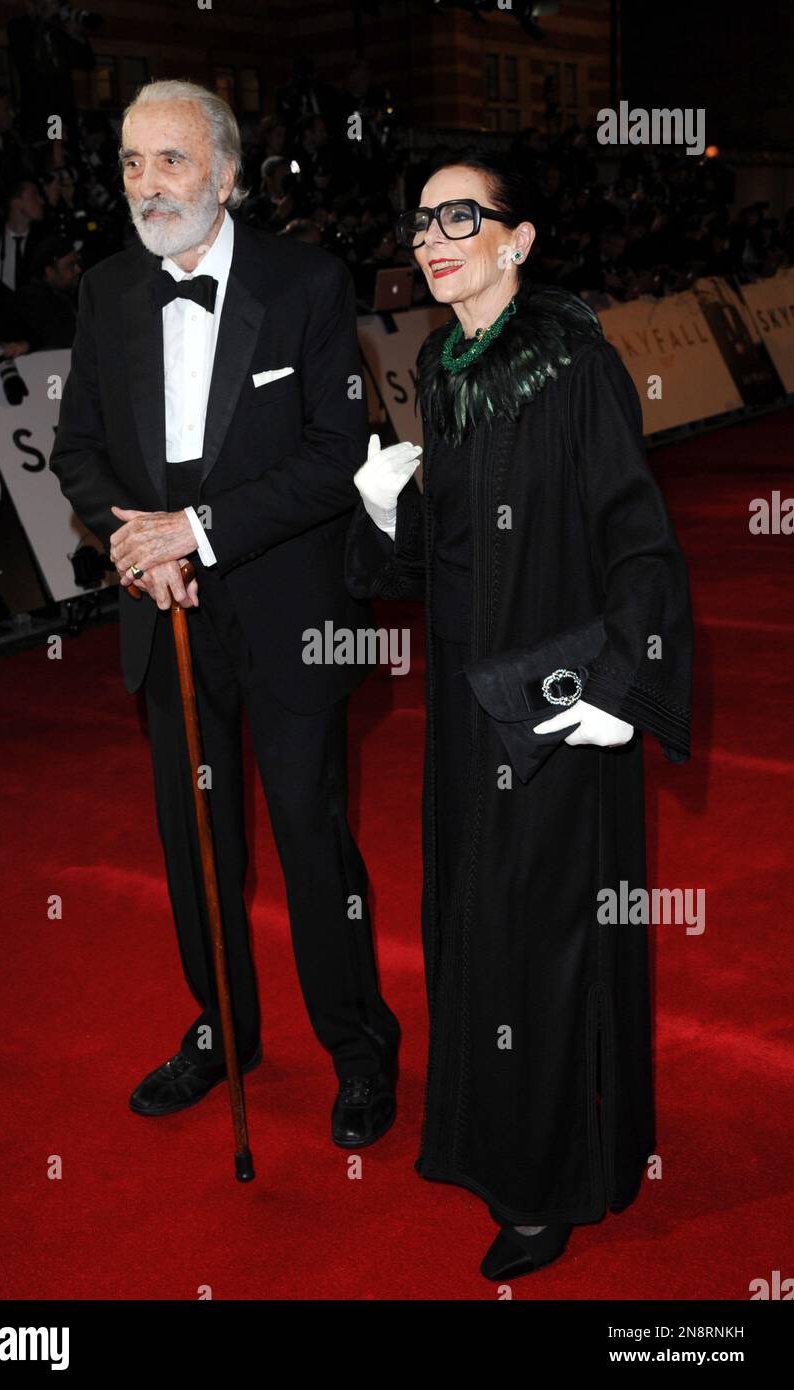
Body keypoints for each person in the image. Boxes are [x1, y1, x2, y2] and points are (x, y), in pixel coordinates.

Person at [345, 157, 693, 1279]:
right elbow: (444, 568)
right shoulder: (444, 372)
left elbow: (638, 539)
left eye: (463, 217)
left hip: (553, 708)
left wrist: (616, 683)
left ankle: (551, 1184)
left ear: (519, 240)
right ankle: (490, 1144)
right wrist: (384, 515)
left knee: (547, 946)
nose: (436, 237)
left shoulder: (577, 367)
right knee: (474, 928)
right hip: (464, 714)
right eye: (424, 218)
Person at [49, 79, 401, 1146]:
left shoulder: (307, 282)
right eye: (130, 162)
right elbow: (79, 451)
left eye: (172, 161)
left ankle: (358, 1046)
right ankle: (224, 1029)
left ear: (231, 176)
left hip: (291, 609)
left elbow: (335, 455)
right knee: (195, 838)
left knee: (309, 836)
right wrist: (134, 543)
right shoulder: (108, 291)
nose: (146, 185)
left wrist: (192, 531)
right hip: (169, 617)